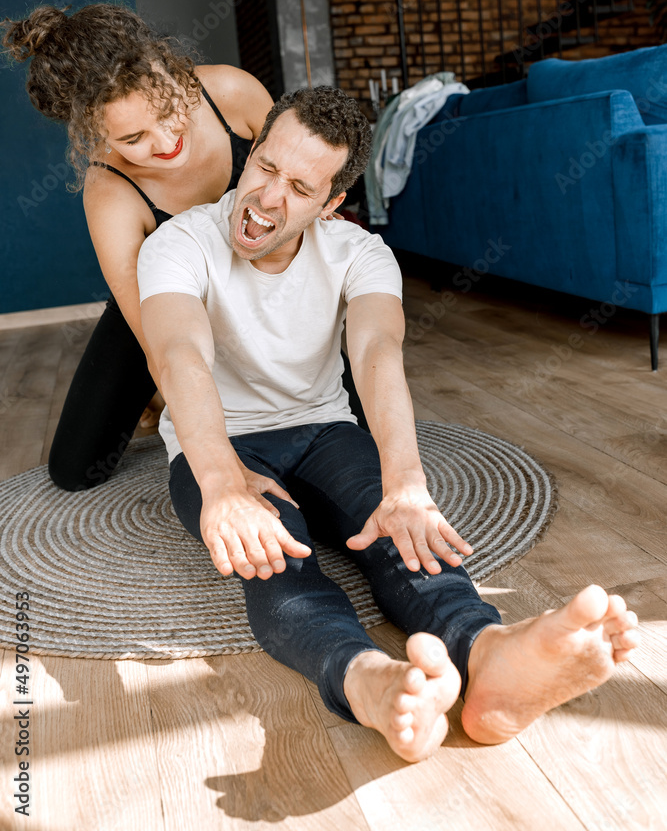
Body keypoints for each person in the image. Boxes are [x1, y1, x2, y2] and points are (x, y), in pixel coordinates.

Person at [136, 85, 640, 763]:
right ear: (248, 154)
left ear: (331, 205)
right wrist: (222, 480)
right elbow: (177, 354)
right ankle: (372, 684)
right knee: (274, 561)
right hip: (223, 445)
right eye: (264, 168)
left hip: (321, 429)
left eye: (299, 187)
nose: (267, 197)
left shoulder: (359, 253)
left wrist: (405, 484)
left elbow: (376, 353)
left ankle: (488, 657)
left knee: (403, 534)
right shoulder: (178, 243)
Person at [1, 3, 360, 492]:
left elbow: (303, 169)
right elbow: (157, 342)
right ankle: (153, 400)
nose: (168, 139)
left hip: (269, 278)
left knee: (359, 427)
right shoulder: (109, 193)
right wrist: (220, 463)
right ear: (93, 136)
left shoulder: (232, 93)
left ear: (170, 70)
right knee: (73, 469)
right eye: (134, 137)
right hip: (172, 299)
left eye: (169, 111)